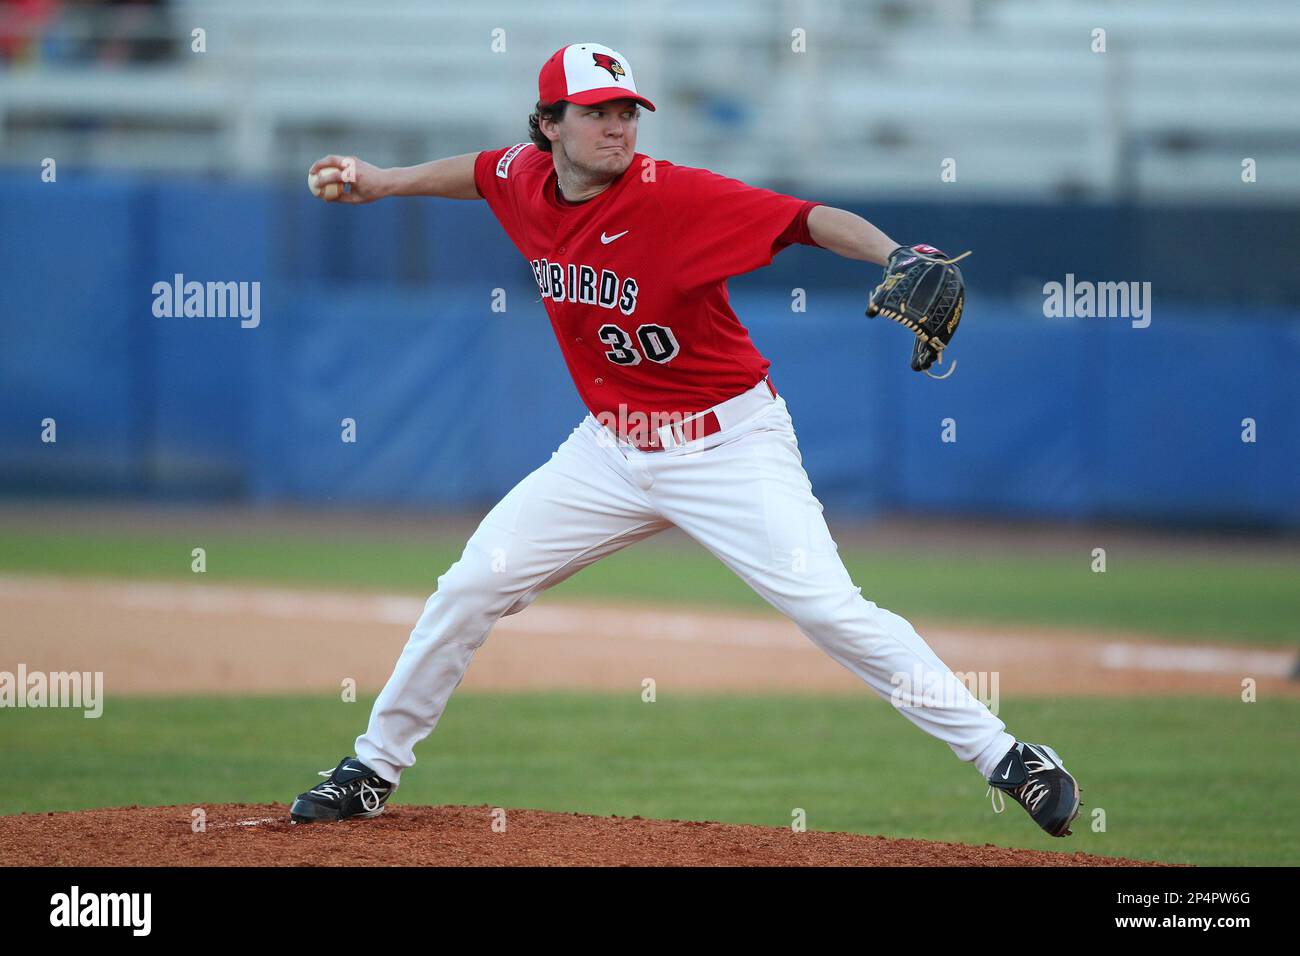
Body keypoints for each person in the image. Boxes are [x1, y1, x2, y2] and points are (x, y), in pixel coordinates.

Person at [290, 42, 1082, 839]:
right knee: (468, 587)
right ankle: (372, 768)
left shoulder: (676, 198)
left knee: (832, 610)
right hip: (611, 449)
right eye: (596, 112)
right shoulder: (524, 178)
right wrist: (386, 182)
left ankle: (1010, 758)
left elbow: (805, 219)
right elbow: (482, 171)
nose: (617, 127)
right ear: (548, 126)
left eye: (627, 111)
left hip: (728, 446)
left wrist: (896, 254)